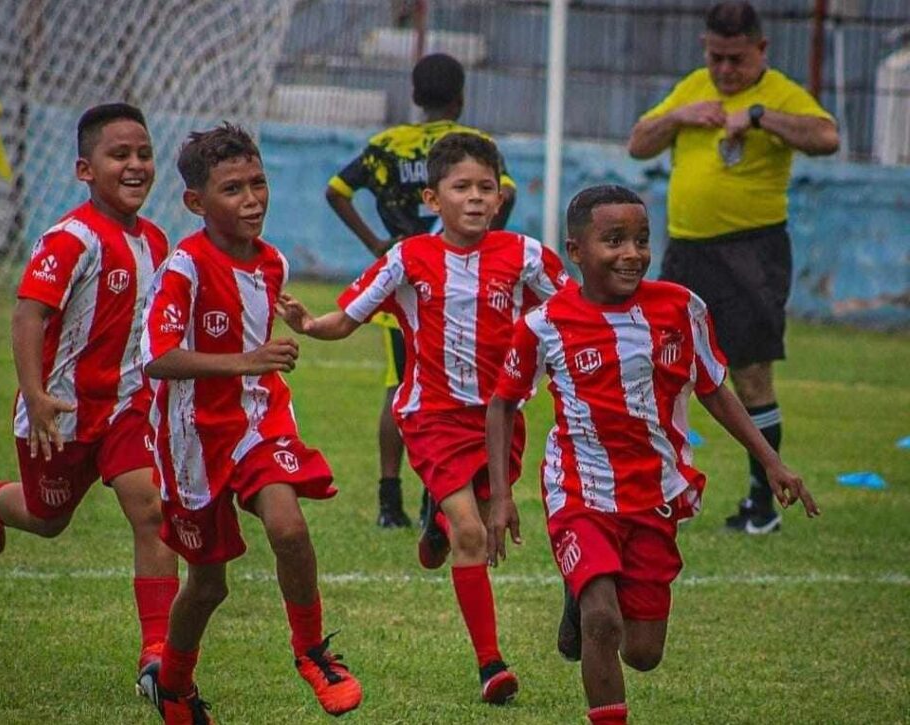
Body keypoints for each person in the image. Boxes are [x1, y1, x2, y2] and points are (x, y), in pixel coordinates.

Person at [485, 185, 820, 725]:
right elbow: (502, 405)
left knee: (642, 653)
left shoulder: (681, 308)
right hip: (580, 488)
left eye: (641, 239)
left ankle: (582, 598)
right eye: (613, 240)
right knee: (602, 620)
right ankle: (588, 601)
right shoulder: (544, 324)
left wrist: (771, 462)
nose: (631, 253)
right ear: (576, 251)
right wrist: (501, 497)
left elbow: (713, 386)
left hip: (655, 491)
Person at [280, 132, 565, 705]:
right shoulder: (409, 258)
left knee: (480, 526)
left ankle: (437, 520)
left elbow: (571, 313)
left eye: (487, 187)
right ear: (434, 200)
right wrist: (310, 326)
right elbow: (350, 316)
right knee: (472, 535)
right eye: (462, 187)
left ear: (501, 196)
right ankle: (491, 665)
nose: (477, 198)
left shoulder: (527, 256)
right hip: (431, 415)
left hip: (498, 419)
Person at [135, 123, 362, 724]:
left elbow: (253, 335)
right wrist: (247, 359)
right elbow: (155, 358)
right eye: (232, 189)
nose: (252, 199)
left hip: (260, 421)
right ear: (195, 203)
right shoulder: (183, 268)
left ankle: (312, 651)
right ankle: (175, 686)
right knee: (208, 585)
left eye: (258, 184)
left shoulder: (273, 262)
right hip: (192, 440)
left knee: (288, 527)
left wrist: (274, 341)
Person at [0, 102, 180, 684]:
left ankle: (157, 653)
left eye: (143, 154)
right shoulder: (71, 239)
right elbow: (28, 315)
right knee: (46, 517)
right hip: (60, 413)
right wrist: (34, 395)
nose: (135, 166)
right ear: (85, 170)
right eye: (119, 155)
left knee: (152, 509)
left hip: (128, 410)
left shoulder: (157, 242)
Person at [627, 1, 839, 535]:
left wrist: (762, 118)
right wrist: (678, 115)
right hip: (685, 252)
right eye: (716, 58)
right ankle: (652, 489)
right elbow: (638, 144)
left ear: (761, 50)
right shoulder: (693, 87)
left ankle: (762, 505)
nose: (724, 71)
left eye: (736, 60)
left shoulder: (779, 94)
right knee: (660, 368)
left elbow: (826, 138)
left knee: (748, 374)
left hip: (751, 252)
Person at [326, 52, 517, 528]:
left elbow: (336, 190)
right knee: (463, 390)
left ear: (413, 96)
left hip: (406, 279)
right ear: (461, 96)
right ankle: (448, 486)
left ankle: (391, 500)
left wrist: (376, 243)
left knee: (400, 385)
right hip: (457, 281)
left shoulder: (388, 144)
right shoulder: (472, 146)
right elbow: (505, 194)